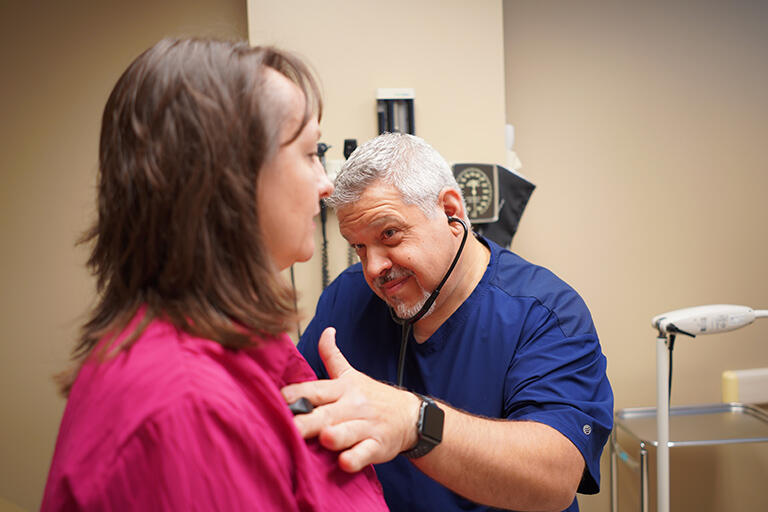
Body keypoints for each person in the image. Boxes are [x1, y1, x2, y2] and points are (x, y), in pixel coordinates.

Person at [42, 38, 388, 511]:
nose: (326, 184)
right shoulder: (187, 407)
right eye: (310, 153)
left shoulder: (234, 344)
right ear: (229, 178)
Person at [285, 133, 614, 512]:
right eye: (359, 247)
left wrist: (414, 422)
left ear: (450, 210)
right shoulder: (346, 298)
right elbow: (292, 415)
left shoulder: (544, 313)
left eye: (389, 234)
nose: (373, 268)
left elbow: (557, 477)